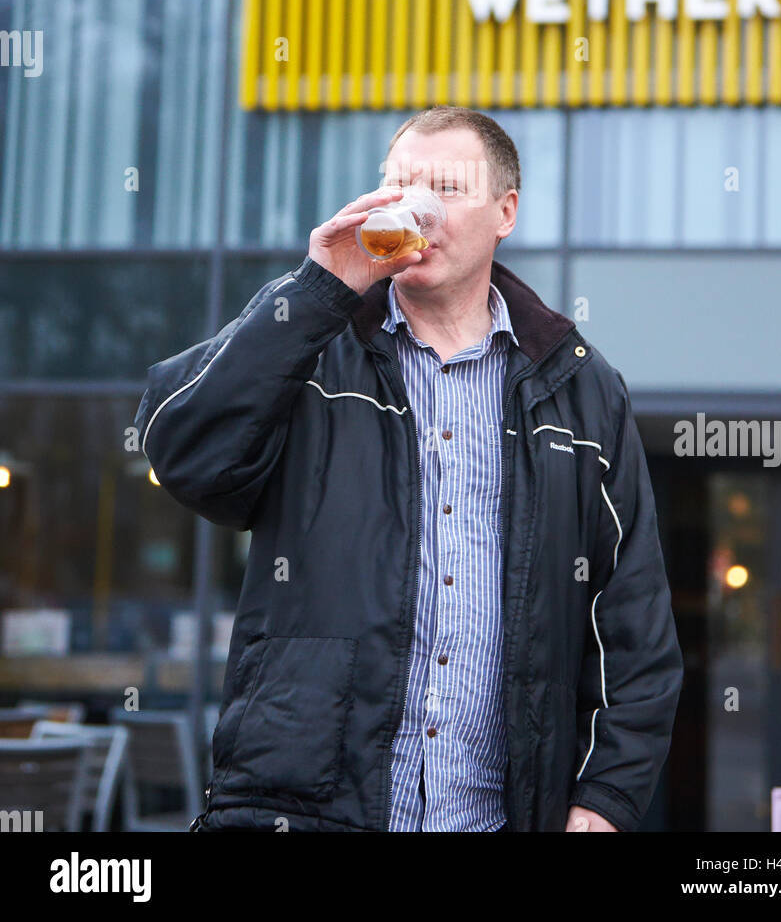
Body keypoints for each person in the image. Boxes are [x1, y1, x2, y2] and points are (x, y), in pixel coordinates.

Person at [136, 105, 683, 832]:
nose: (415, 204)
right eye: (398, 184)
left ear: (505, 211)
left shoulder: (579, 387)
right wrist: (317, 287)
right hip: (306, 810)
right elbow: (185, 452)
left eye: (447, 187)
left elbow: (634, 621)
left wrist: (605, 798)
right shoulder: (308, 347)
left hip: (499, 816)